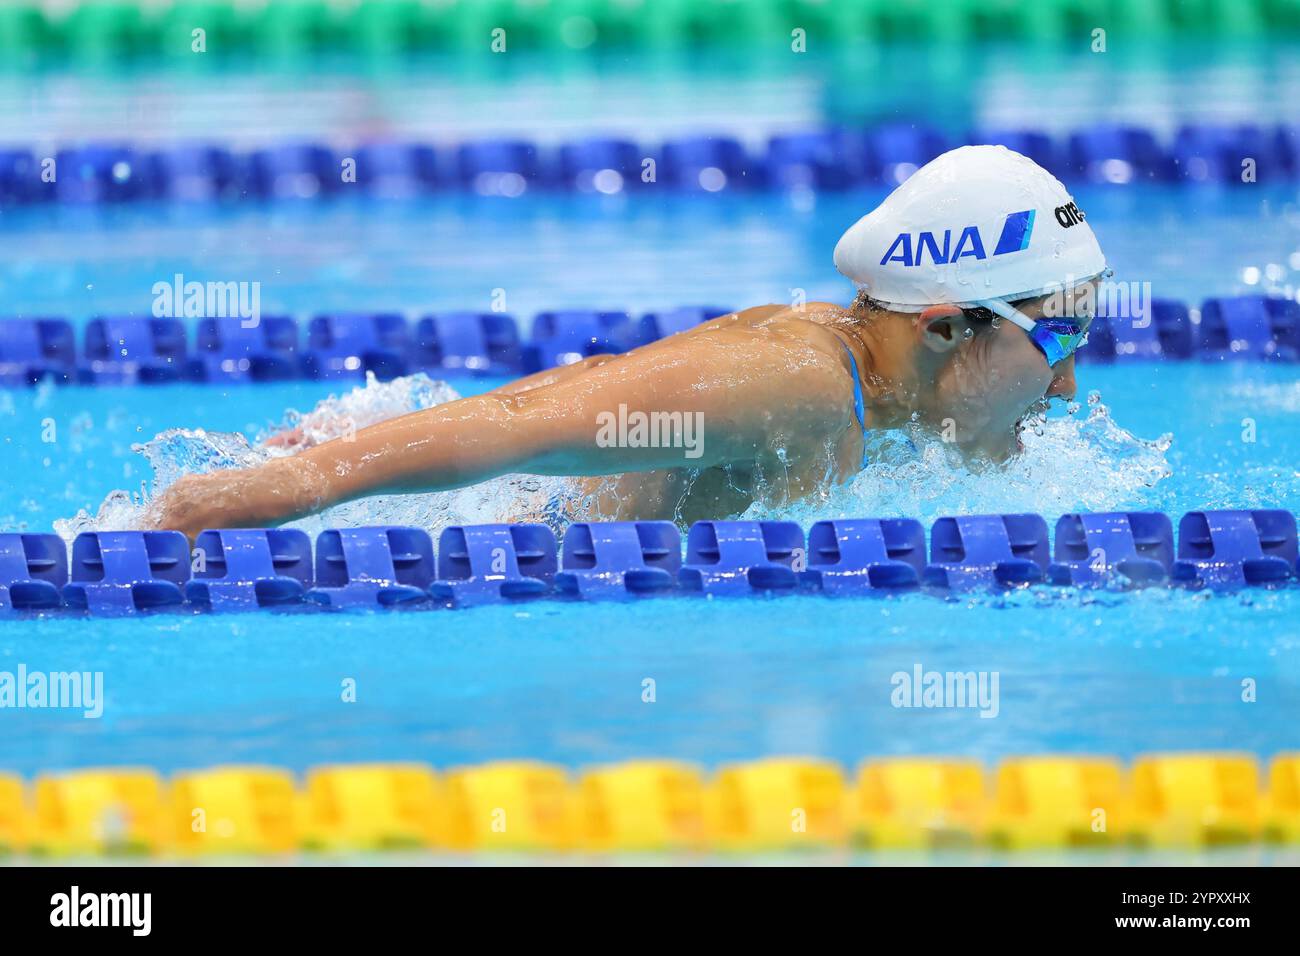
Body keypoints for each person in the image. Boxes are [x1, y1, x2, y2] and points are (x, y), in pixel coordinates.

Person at [148, 145, 1107, 539]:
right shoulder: (801, 388)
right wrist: (246, 497)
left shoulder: (857, 385)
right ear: (946, 327)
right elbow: (531, 419)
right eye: (1058, 339)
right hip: (476, 535)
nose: (1064, 390)